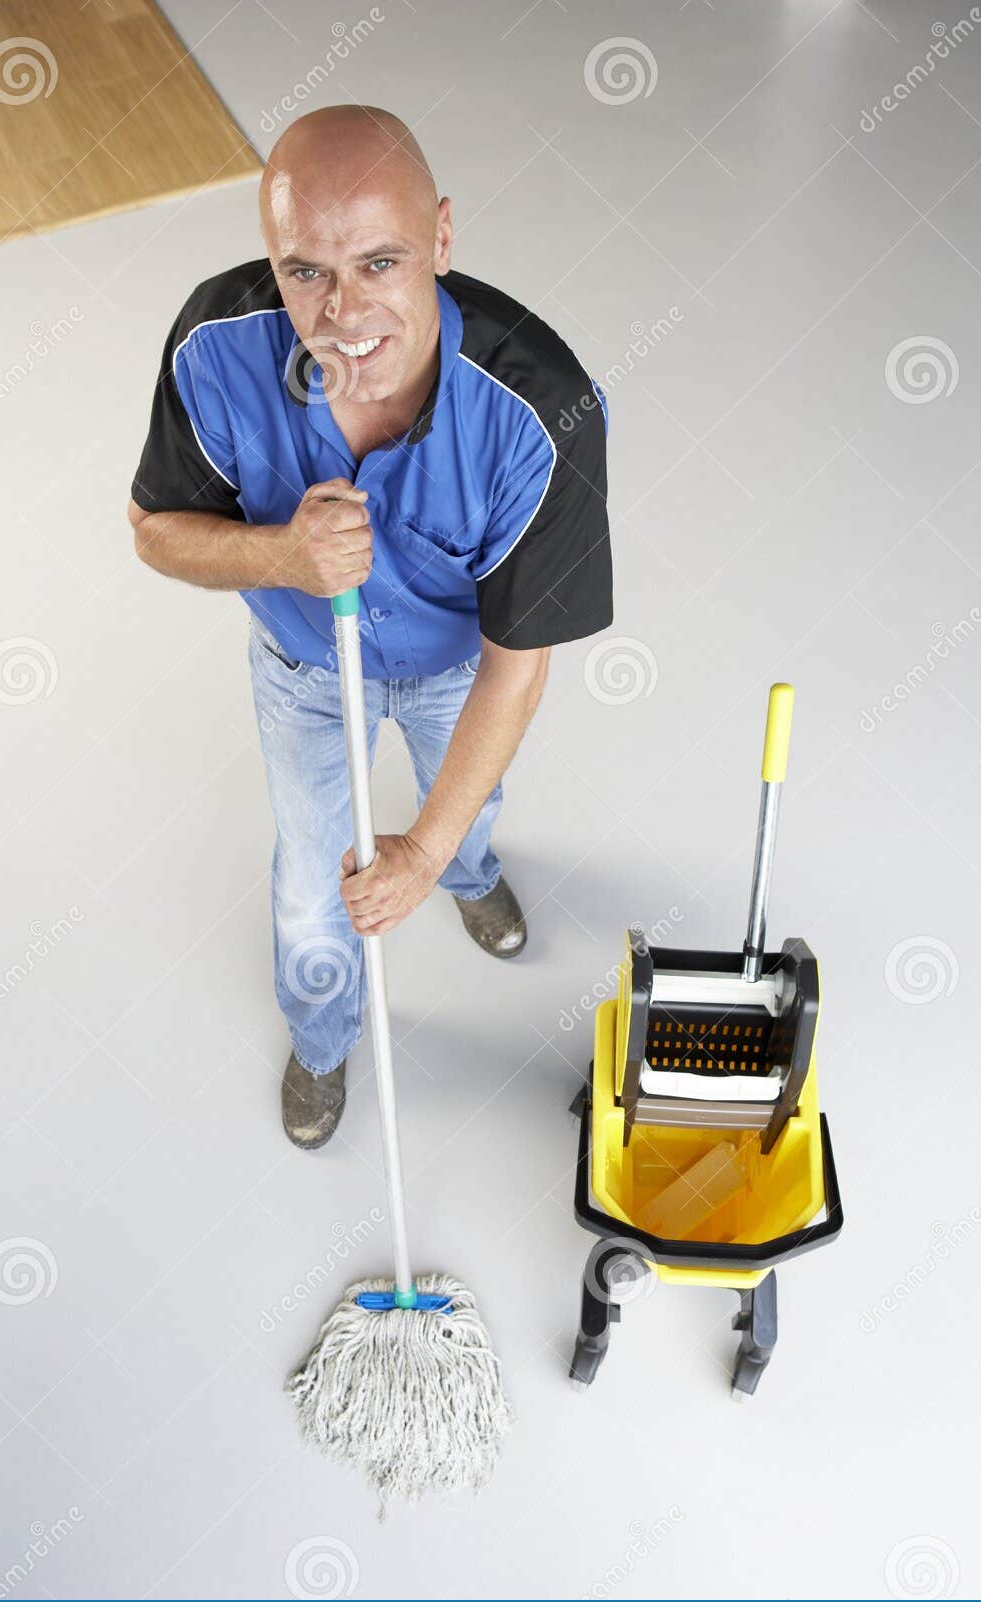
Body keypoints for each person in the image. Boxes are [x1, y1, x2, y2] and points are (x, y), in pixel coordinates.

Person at [128, 104, 612, 1148]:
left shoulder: (542, 411)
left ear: (440, 238)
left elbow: (517, 667)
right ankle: (320, 1039)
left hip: (456, 671)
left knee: (466, 817)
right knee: (313, 896)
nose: (343, 313)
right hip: (303, 666)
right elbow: (152, 532)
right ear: (272, 259)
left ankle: (471, 874)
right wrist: (278, 556)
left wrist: (423, 853)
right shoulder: (217, 346)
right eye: (305, 272)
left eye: (380, 262)